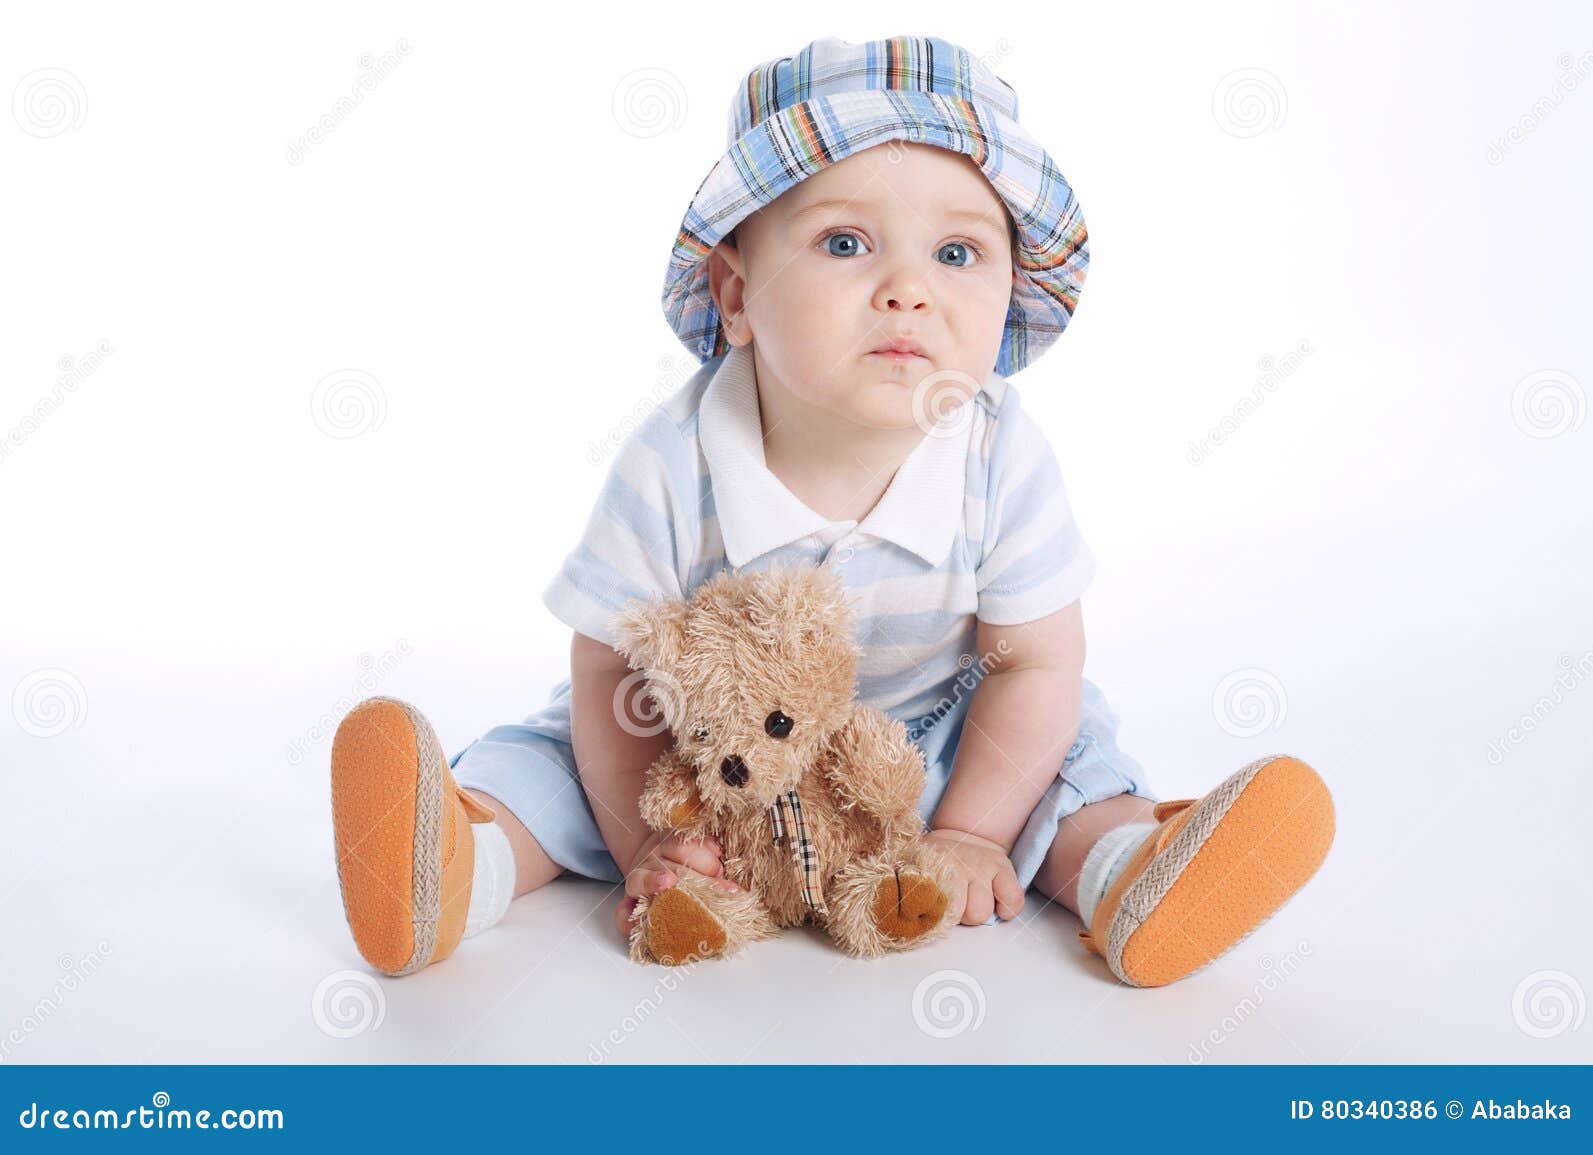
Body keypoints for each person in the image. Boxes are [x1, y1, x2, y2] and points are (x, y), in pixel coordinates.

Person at [329, 34, 1334, 987]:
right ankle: (459, 864)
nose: (906, 290)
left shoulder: (997, 451)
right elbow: (608, 666)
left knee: (1067, 776)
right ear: (735, 295)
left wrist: (974, 830)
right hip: (703, 756)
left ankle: (1132, 872)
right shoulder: (674, 459)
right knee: (550, 767)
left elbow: (1035, 661)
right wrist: (655, 844)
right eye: (845, 242)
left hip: (941, 739)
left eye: (956, 255)